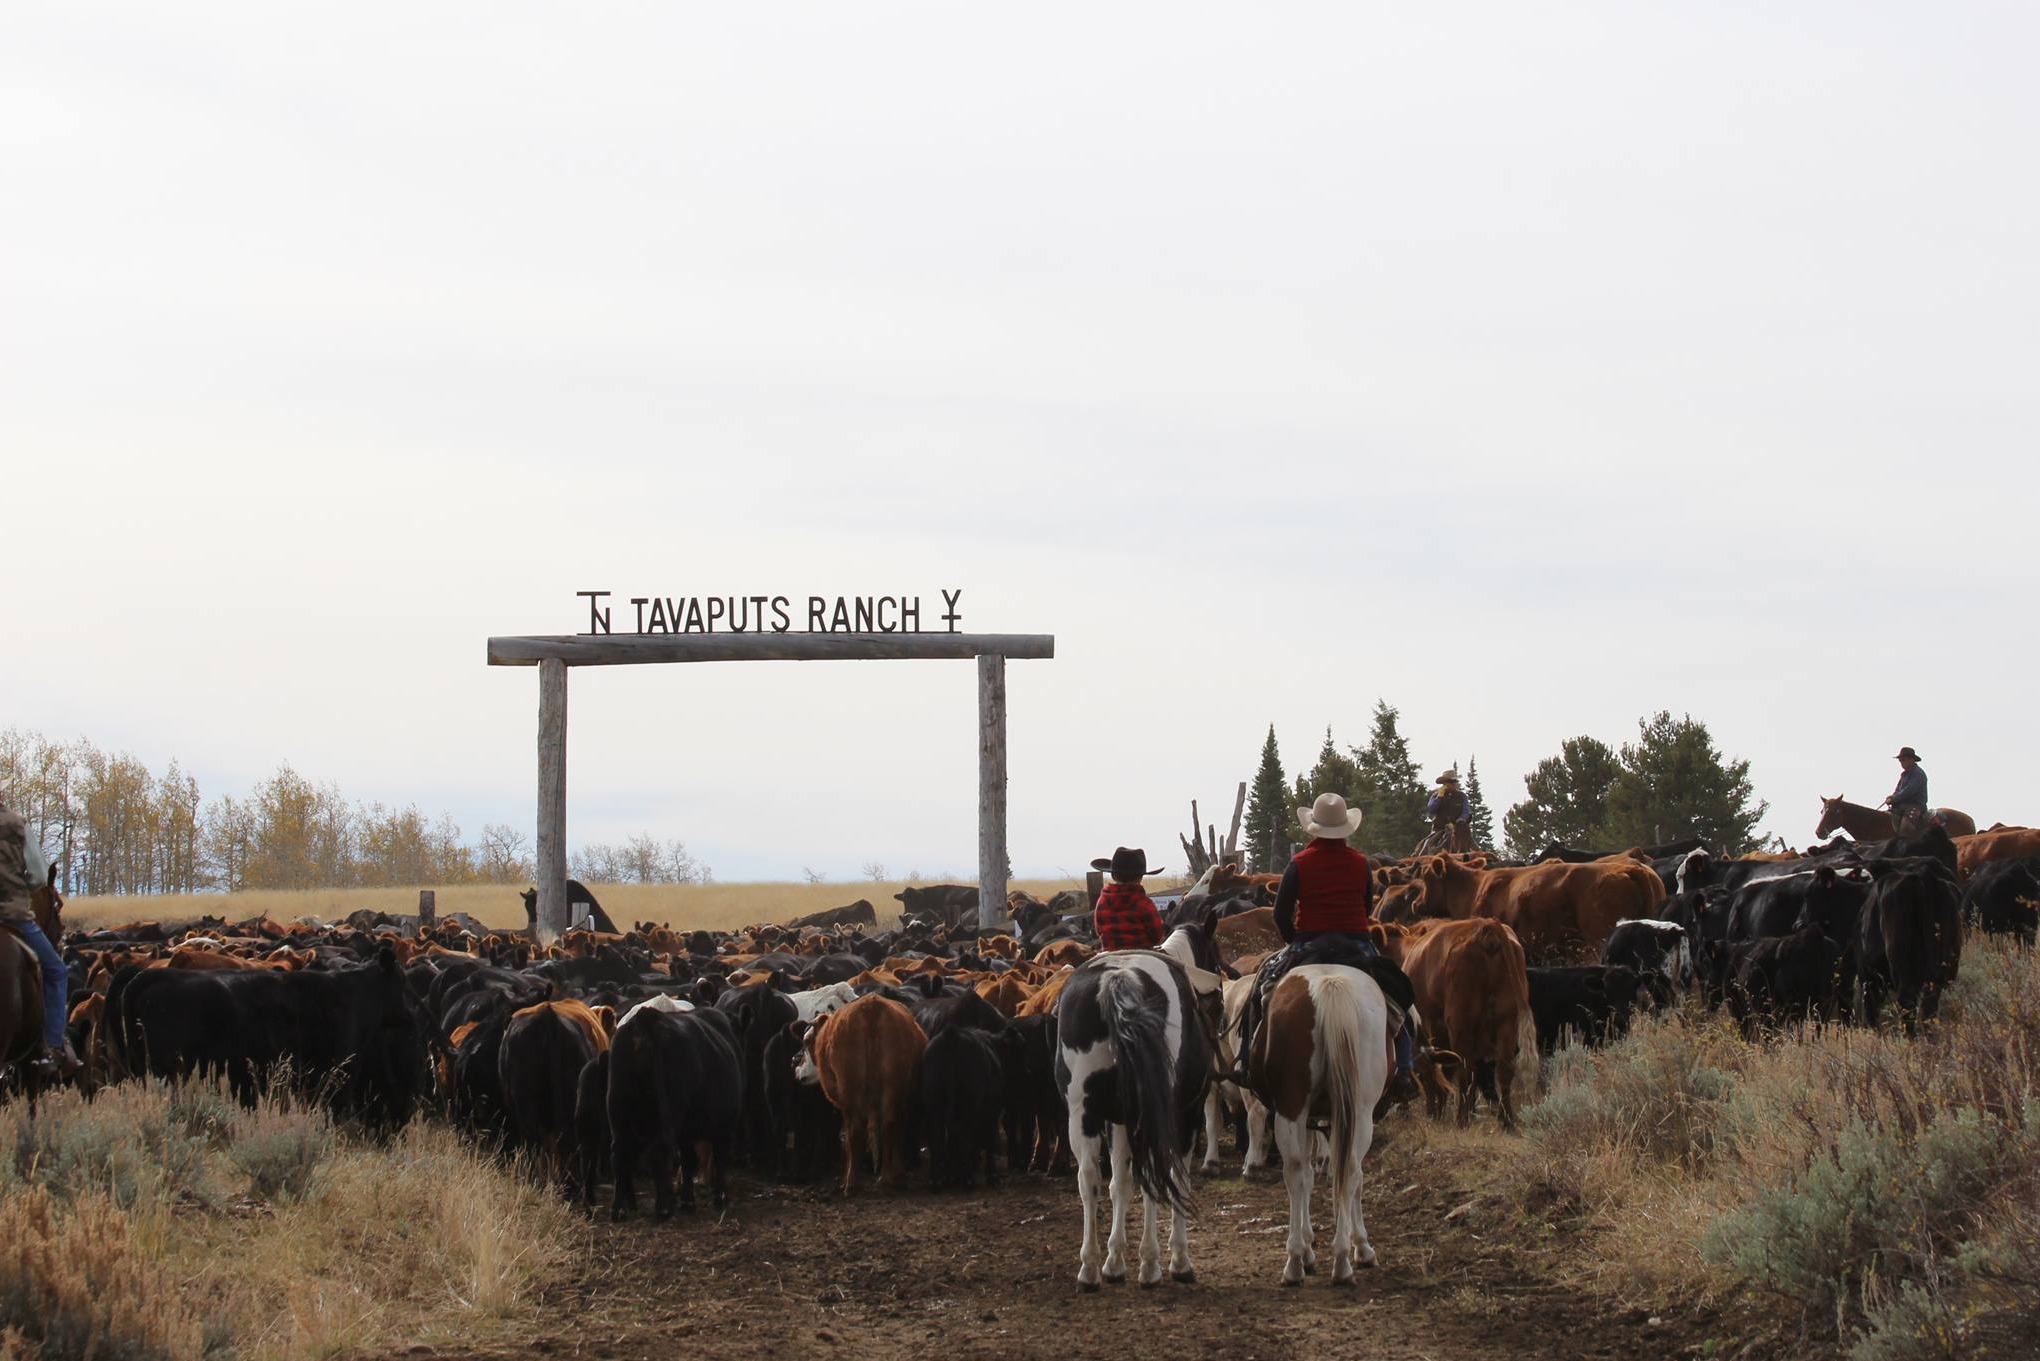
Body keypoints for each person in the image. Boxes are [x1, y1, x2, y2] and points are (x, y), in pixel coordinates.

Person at [1233, 792, 1418, 1103]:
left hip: (1308, 943)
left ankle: (1246, 1061)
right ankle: (1405, 1069)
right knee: (1402, 998)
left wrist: (1294, 939)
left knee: (1258, 993)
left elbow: (1280, 913)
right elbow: (1364, 906)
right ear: (1345, 828)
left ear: (1313, 828)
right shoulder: (1361, 864)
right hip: (1356, 946)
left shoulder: (1299, 863)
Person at [0, 795, 78, 1081]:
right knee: (57, 972)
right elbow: (37, 876)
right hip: (13, 916)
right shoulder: (17, 825)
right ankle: (49, 1047)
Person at [1089, 846, 1167, 952]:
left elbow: (1099, 931)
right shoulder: (1144, 903)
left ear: (1113, 875)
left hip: (1109, 952)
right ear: (1140, 878)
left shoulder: (1102, 901)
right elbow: (1158, 935)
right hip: (1142, 953)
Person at [1882, 746, 1929, 838]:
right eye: (1900, 761)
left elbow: (1909, 790)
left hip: (1915, 806)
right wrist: (1892, 797)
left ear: (1911, 760)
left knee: (1906, 828)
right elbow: (1898, 789)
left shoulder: (1918, 773)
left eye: (1903, 760)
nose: (1901, 763)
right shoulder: (1904, 775)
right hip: (1901, 807)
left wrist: (1894, 798)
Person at [1425, 768, 1473, 854]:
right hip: (1439, 829)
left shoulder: (1462, 796)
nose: (1454, 784)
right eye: (1451, 782)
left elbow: (1466, 812)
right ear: (1445, 783)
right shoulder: (1436, 795)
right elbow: (1431, 810)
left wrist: (1457, 822)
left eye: (1455, 782)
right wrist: (1439, 798)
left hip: (1458, 830)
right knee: (1428, 845)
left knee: (1475, 848)